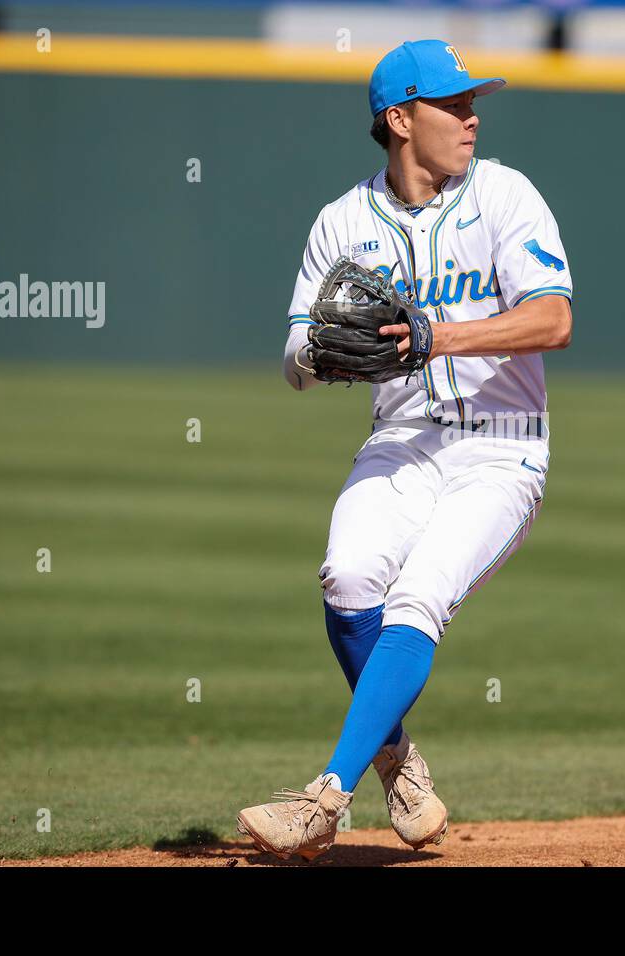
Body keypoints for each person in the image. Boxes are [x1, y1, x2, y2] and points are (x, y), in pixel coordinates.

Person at [236, 39, 573, 862]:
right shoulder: (343, 223)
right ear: (399, 120)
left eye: (473, 102)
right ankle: (398, 761)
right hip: (402, 440)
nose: (471, 116)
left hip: (502, 451)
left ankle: (325, 797)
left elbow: (554, 320)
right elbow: (293, 363)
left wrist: (438, 334)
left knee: (419, 592)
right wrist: (327, 351)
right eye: (452, 104)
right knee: (348, 579)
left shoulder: (505, 195)